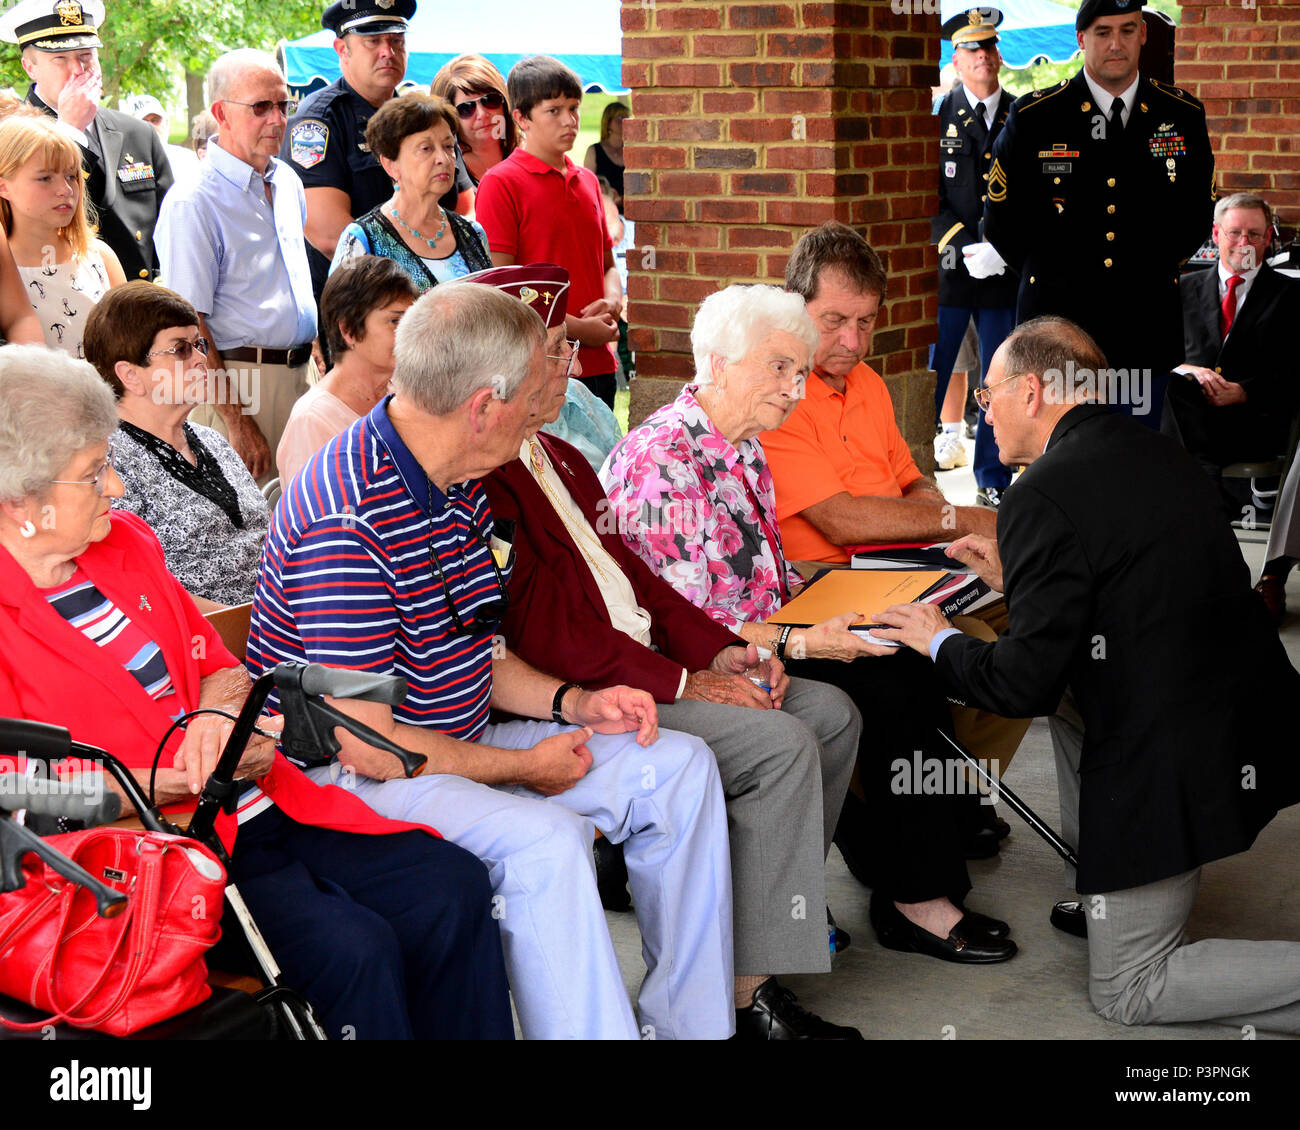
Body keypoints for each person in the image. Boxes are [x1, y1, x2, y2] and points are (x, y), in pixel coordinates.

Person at [247, 280, 734, 1040]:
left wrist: (575, 702)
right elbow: (367, 746)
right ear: (483, 405)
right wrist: (524, 768)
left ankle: (691, 1028)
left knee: (679, 770)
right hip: (351, 777)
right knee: (546, 843)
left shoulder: (456, 476)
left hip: (452, 739)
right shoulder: (346, 516)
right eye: (534, 387)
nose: (546, 402)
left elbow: (479, 645)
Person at [0, 343, 514, 1040]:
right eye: (94, 474)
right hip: (145, 857)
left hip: (257, 803)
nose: (117, 488)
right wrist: (170, 778)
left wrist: (217, 714)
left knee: (452, 886)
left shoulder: (124, 543)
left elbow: (218, 662)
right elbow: (22, 790)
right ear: (20, 503)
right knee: (352, 950)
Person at [483, 268, 880, 1038]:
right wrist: (685, 678)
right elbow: (545, 635)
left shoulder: (556, 456)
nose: (570, 366)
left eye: (567, 350)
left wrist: (726, 653)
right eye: (555, 352)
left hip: (656, 660)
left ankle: (760, 932)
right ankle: (746, 992)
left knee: (831, 712)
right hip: (595, 689)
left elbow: (640, 584)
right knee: (784, 742)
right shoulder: (492, 475)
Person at [874, 315, 1300, 1034]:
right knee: (1075, 701)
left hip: (1169, 753)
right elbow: (1126, 585)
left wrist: (938, 638)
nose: (985, 411)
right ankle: (1104, 888)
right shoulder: (1155, 450)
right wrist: (1024, 582)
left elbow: (1020, 686)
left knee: (1131, 988)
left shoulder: (1045, 490)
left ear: (1033, 390)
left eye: (989, 394)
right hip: (1240, 718)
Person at [600, 282, 1019, 970]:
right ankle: (913, 896)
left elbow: (763, 575)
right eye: (780, 368)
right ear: (718, 363)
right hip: (709, 662)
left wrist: (847, 598)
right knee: (892, 685)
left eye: (800, 370)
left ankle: (893, 880)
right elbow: (684, 628)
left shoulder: (742, 446)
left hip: (770, 628)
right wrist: (805, 638)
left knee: (908, 654)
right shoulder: (661, 464)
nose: (796, 389)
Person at [982, 0, 1214, 427]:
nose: (1116, 44)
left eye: (1128, 30)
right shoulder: (1036, 116)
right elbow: (1001, 222)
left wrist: (1147, 268)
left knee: (1137, 461)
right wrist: (1050, 272)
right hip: (1056, 325)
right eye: (1103, 32)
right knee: (1054, 459)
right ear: (1081, 39)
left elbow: (1196, 216)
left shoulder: (1180, 114)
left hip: (1144, 324)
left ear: (1143, 34)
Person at [762, 221, 997, 565]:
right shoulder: (776, 392)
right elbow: (843, 522)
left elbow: (913, 481)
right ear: (793, 306)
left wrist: (924, 510)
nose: (853, 343)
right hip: (817, 579)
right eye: (834, 321)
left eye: (865, 322)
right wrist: (965, 520)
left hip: (896, 561)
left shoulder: (867, 380)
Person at [155, 49, 318, 483]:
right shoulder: (194, 200)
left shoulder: (287, 181)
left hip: (300, 376)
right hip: (239, 385)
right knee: (250, 535)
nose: (277, 119)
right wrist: (236, 419)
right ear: (220, 114)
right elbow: (188, 325)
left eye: (283, 105)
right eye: (260, 107)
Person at [82, 281, 268, 610]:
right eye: (181, 349)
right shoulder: (106, 460)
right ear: (130, 375)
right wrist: (247, 627)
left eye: (200, 345)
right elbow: (138, 592)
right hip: (206, 641)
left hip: (277, 620)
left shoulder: (211, 439)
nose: (200, 360)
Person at [284, 0, 473, 307]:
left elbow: (464, 206)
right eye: (373, 41)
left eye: (396, 41)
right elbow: (330, 235)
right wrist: (423, 283)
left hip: (442, 313)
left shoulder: (425, 118)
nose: (388, 52)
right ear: (342, 49)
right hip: (361, 310)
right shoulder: (317, 123)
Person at [476, 56, 623, 409]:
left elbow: (607, 263)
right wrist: (576, 328)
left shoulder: (587, 180)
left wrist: (614, 302)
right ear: (521, 118)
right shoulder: (501, 183)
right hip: (541, 367)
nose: (569, 121)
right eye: (553, 110)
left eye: (573, 108)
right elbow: (503, 289)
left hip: (599, 362)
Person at [0, 0, 172, 282]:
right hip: (59, 290)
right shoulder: (10, 135)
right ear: (29, 67)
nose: (78, 70)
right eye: (61, 59)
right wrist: (70, 131)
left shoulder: (137, 132)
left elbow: (169, 226)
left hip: (140, 299)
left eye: (86, 56)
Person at [1163, 192, 1300, 513]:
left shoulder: (1292, 297)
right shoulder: (1181, 290)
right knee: (1171, 385)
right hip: (1184, 420)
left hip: (1254, 426)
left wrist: (1244, 392)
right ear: (1215, 234)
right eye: (1234, 232)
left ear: (1268, 238)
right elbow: (1156, 354)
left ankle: (1197, 503)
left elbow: (1296, 373)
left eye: (1254, 234)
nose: (1244, 242)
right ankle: (1204, 499)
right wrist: (1187, 370)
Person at [931, 11, 1016, 508]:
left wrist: (1003, 245)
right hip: (953, 273)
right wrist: (964, 244)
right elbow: (928, 196)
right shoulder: (939, 118)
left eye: (989, 47)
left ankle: (992, 476)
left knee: (999, 376)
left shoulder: (1023, 115)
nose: (983, 56)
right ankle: (919, 470)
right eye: (972, 49)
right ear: (957, 61)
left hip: (1003, 272)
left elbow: (1036, 191)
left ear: (998, 55)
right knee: (939, 368)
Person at [327, 93, 492, 289]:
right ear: (390, 165)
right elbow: (343, 315)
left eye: (448, 146)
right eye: (426, 148)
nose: (444, 159)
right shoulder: (362, 239)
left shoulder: (472, 233)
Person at [278, 256, 418, 485]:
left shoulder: (406, 393)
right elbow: (316, 516)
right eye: (395, 321)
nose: (410, 332)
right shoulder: (313, 419)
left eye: (412, 320)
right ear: (348, 330)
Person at [0, 113, 124, 357]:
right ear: (4, 186)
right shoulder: (5, 270)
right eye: (45, 178)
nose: (65, 190)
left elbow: (135, 342)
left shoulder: (100, 257)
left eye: (71, 176)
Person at [431, 53, 517, 194]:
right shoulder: (443, 172)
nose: (482, 114)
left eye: (490, 100)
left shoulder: (530, 153)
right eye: (466, 108)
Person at [123, 93, 200, 189]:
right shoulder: (121, 165)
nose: (150, 126)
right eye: (143, 122)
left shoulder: (188, 160)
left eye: (155, 120)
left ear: (167, 123)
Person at [584, 101, 627, 209]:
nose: (625, 122)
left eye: (628, 118)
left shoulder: (633, 151)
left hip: (631, 212)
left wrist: (621, 199)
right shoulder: (594, 151)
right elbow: (586, 186)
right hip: (605, 212)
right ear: (608, 123)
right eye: (620, 118)